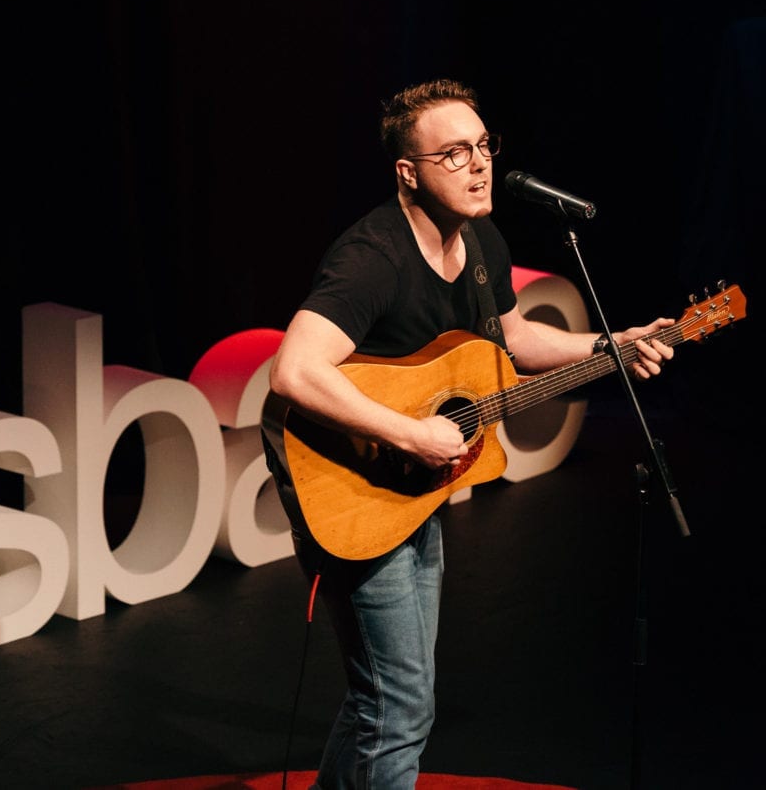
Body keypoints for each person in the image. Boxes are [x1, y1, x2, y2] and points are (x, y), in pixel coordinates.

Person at [262, 77, 675, 789]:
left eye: (484, 146)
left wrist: (612, 344)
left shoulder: (481, 238)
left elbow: (511, 338)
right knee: (401, 713)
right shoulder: (374, 257)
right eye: (454, 153)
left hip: (409, 493)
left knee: (382, 703)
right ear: (408, 173)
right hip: (353, 484)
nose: (479, 163)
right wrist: (408, 433)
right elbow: (293, 371)